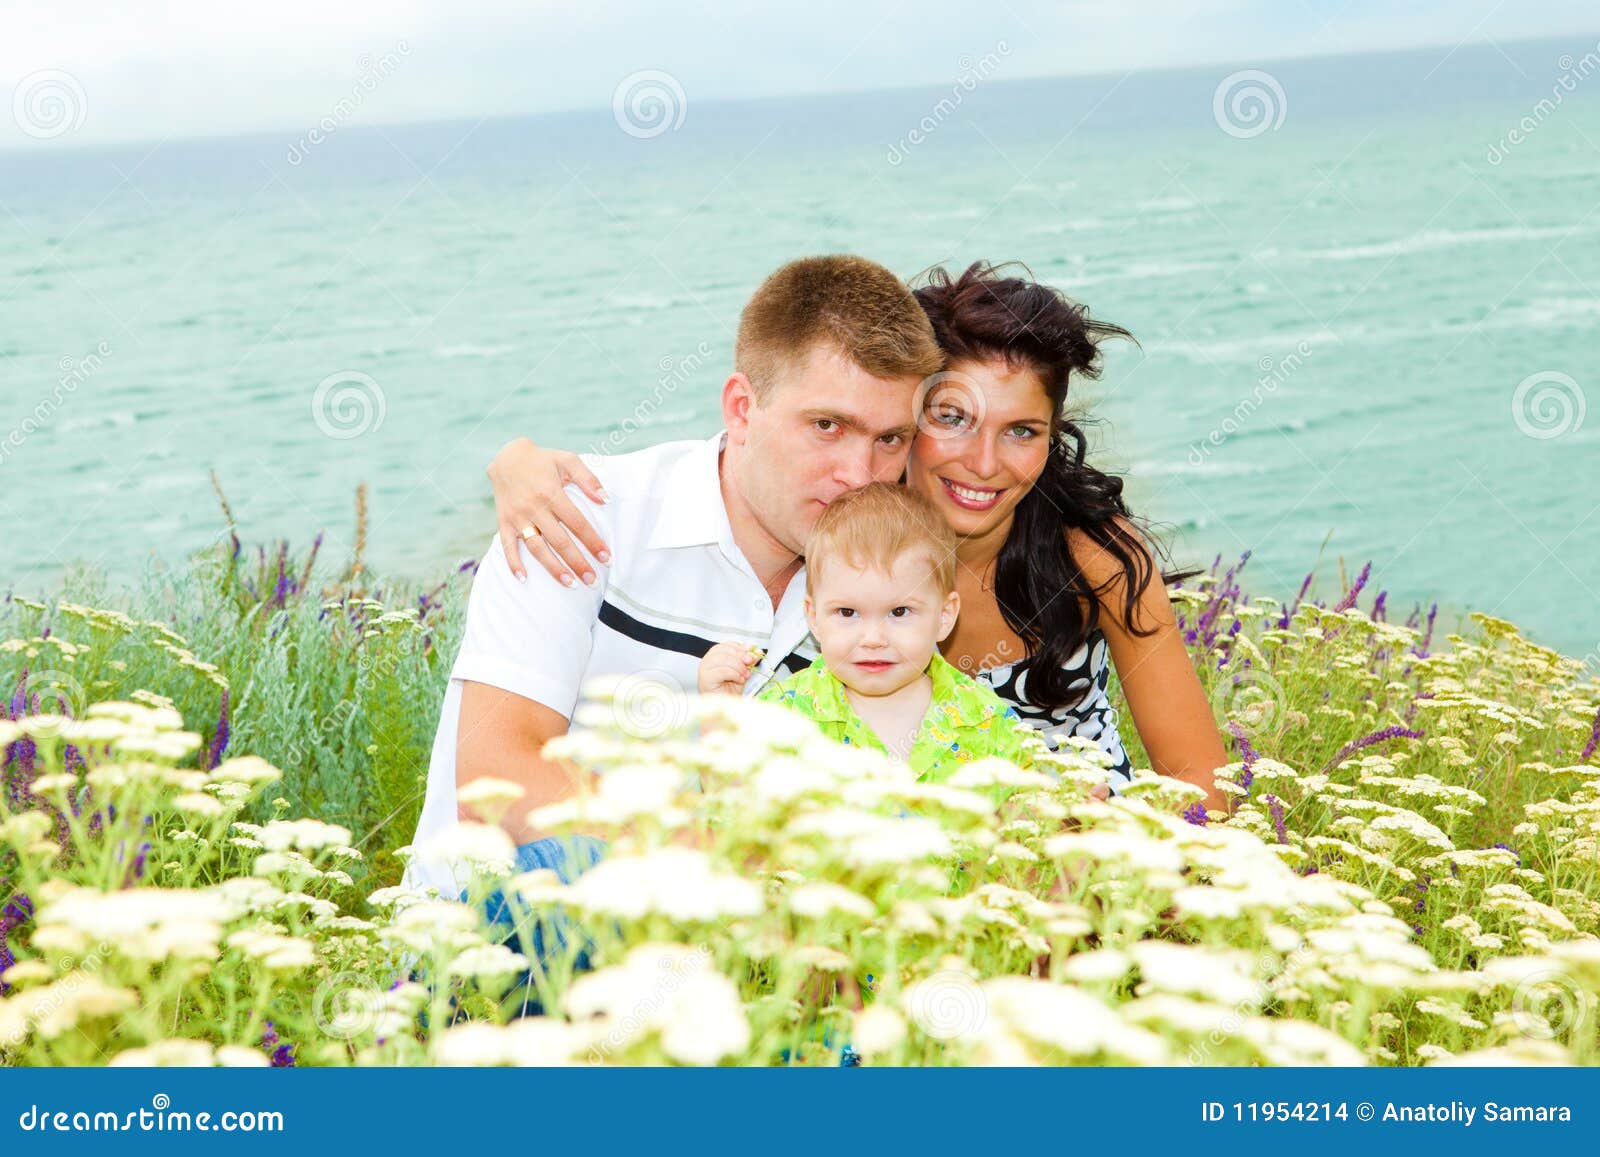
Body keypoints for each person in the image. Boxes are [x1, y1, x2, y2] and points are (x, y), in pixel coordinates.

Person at [487, 261, 1232, 817]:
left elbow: (1205, 789)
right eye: (949, 419)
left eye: (1022, 432)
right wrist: (517, 462)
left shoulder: (1089, 559)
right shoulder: (842, 555)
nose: (982, 462)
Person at [400, 253, 945, 902]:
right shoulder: (582, 521)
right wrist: (720, 867)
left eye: (890, 440)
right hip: (498, 950)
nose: (859, 473)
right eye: (827, 426)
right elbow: (495, 776)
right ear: (742, 408)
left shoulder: (883, 588)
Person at [700, 482, 1039, 790]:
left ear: (944, 616)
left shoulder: (986, 720)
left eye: (899, 612)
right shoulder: (782, 716)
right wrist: (719, 719)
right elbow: (735, 820)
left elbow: (1025, 832)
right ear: (814, 617)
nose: (873, 638)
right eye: (847, 613)